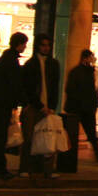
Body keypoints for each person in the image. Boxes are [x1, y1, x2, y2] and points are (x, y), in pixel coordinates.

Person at [19, 34, 60, 179]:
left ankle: (48, 169)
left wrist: (52, 107)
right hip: (34, 106)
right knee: (29, 138)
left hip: (47, 107)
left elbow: (55, 87)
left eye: (48, 45)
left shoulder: (54, 65)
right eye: (43, 45)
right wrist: (38, 105)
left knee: (49, 137)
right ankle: (25, 167)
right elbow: (28, 88)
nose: (46, 48)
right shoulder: (31, 65)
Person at [0, 33, 26, 179]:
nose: (25, 47)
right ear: (19, 44)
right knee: (0, 136)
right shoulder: (10, 61)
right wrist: (16, 102)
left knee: (0, 135)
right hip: (3, 103)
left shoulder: (5, 59)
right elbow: (13, 84)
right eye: (24, 44)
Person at [65, 48, 98, 164]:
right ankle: (96, 154)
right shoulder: (85, 72)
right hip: (82, 107)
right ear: (86, 58)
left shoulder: (83, 72)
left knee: (86, 133)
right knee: (89, 132)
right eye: (91, 57)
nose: (92, 60)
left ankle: (95, 154)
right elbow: (85, 90)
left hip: (80, 107)